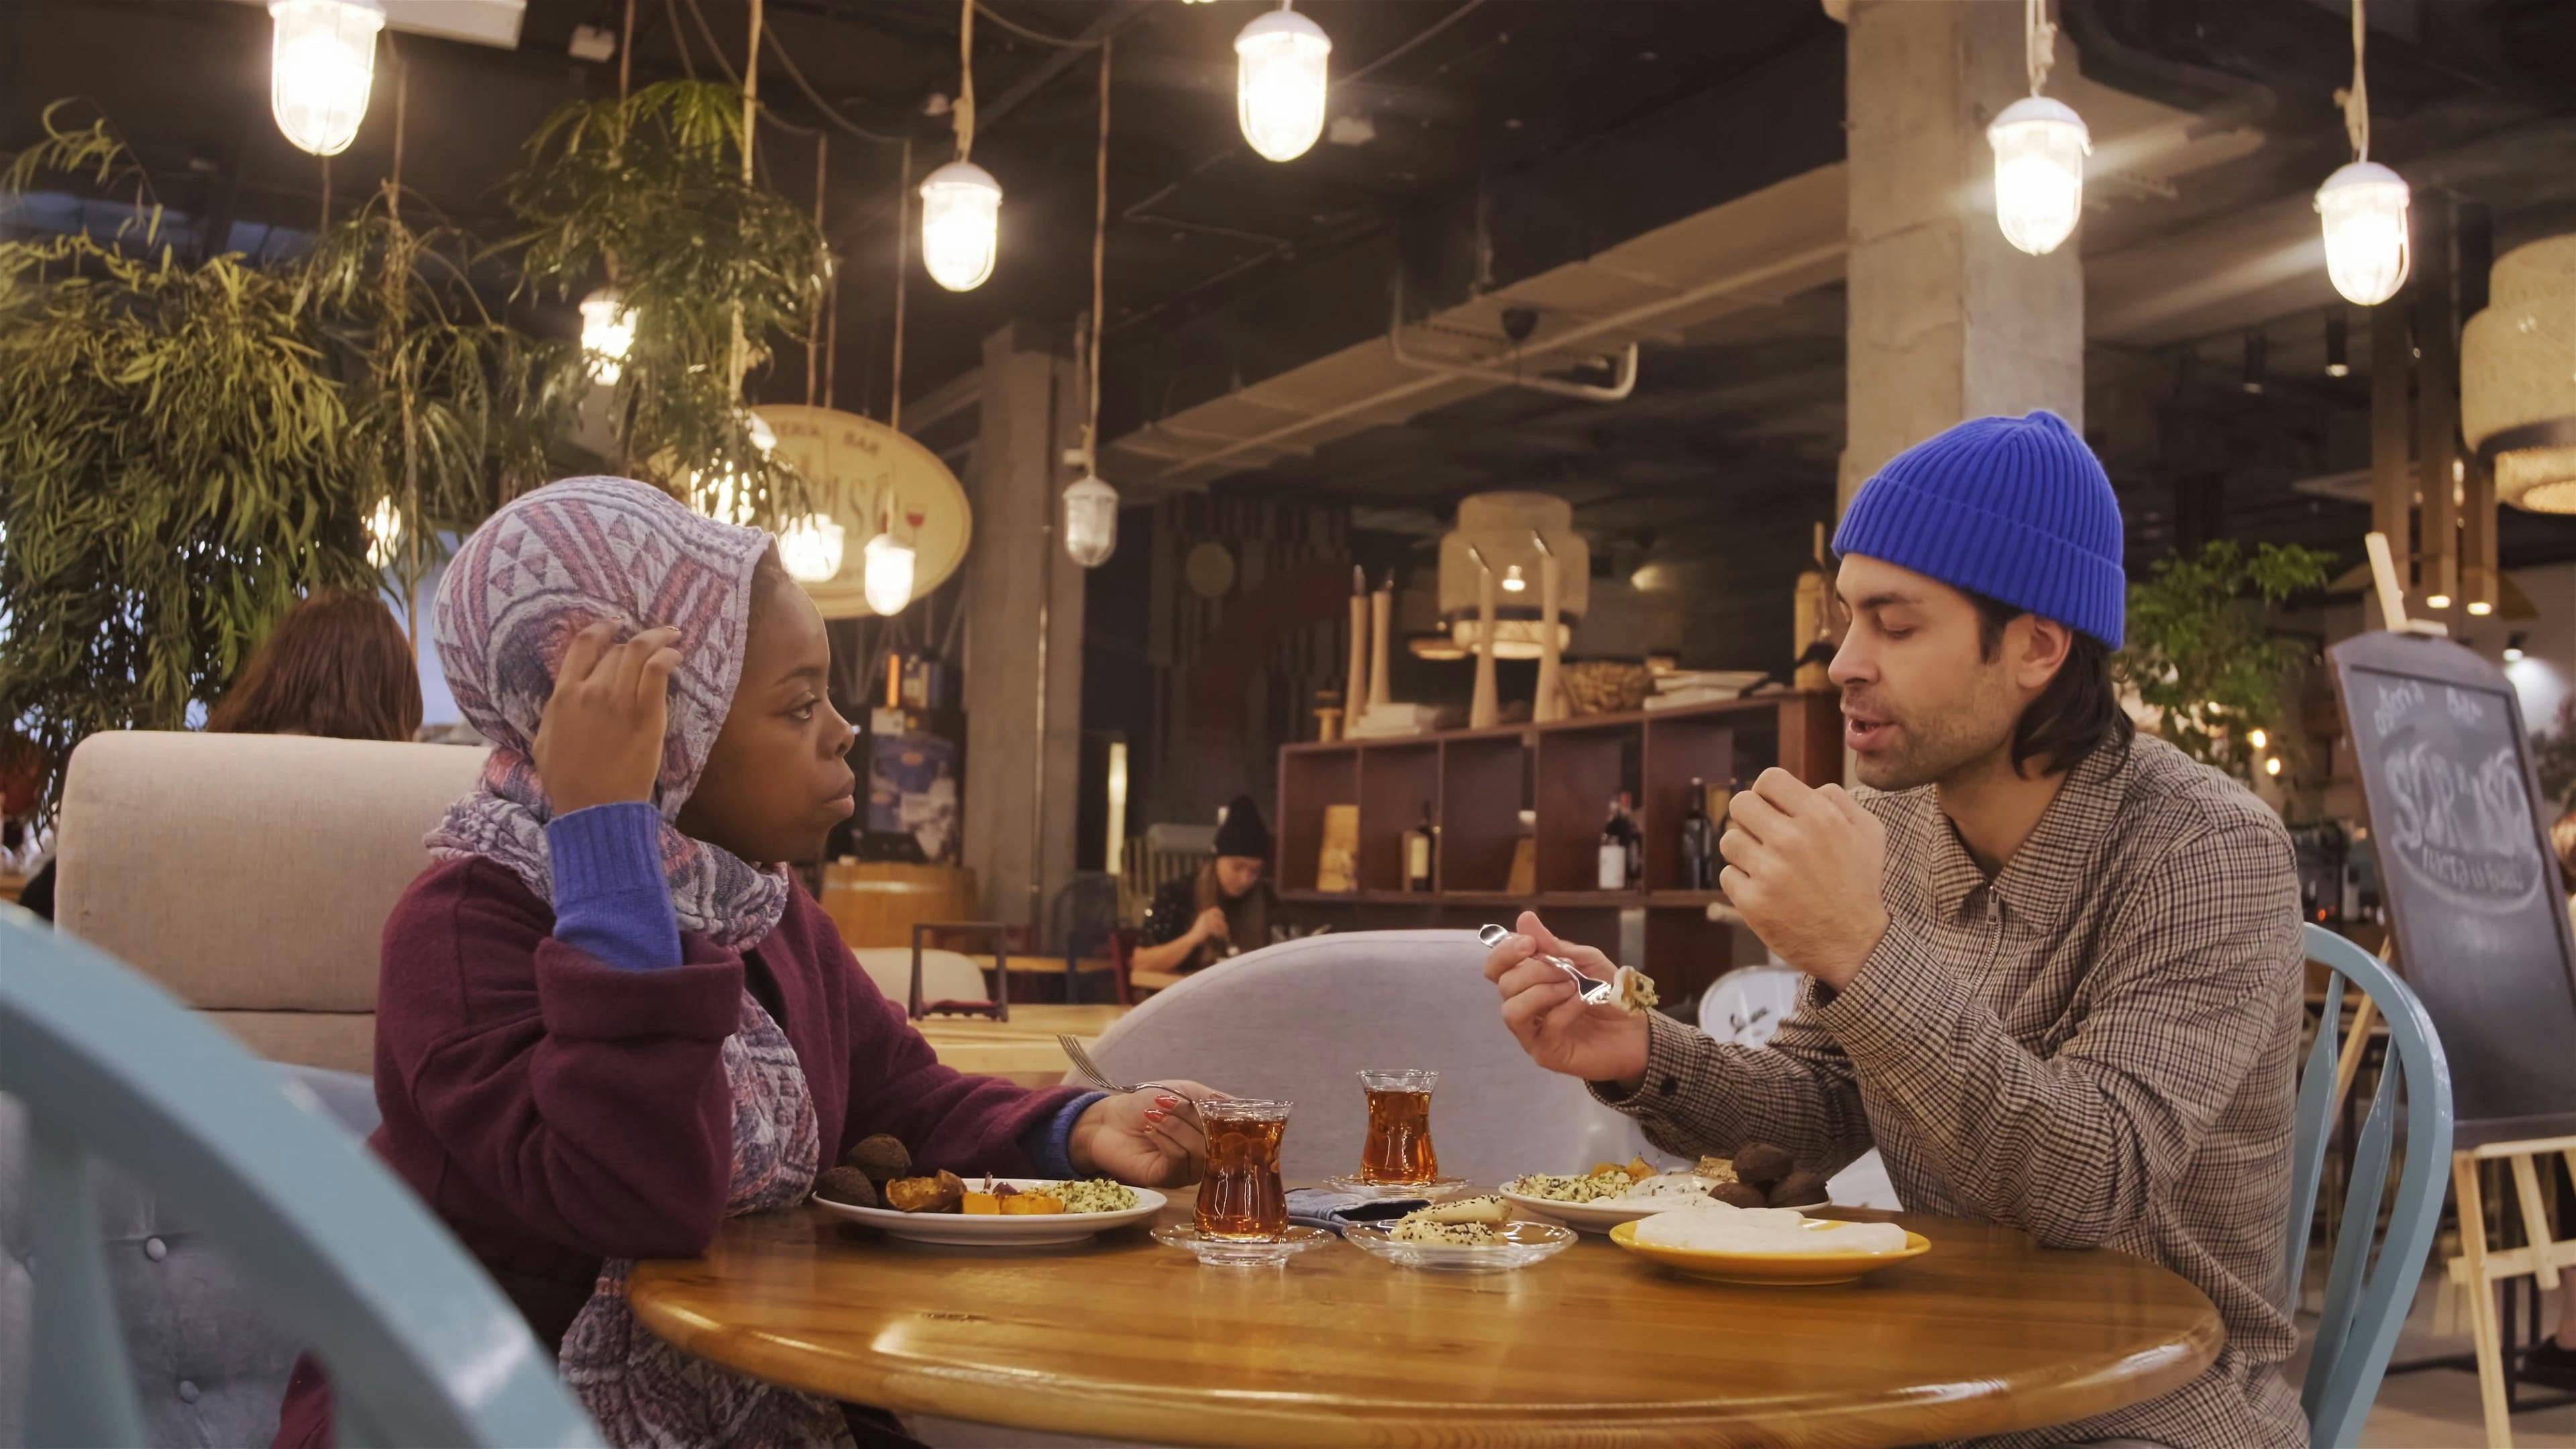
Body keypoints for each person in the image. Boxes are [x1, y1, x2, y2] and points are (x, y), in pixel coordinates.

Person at [273, 478, 1216, 1448]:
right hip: (464, 1416)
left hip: (759, 1391)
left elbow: (901, 1100)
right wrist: (609, 838)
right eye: (800, 705)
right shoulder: (463, 931)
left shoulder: (761, 908)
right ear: (667, 733)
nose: (845, 732)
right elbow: (634, 1192)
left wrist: (1079, 1128)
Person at [1486, 411, 2308, 1448]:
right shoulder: (1894, 825)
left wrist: (1861, 949)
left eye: (1896, 624)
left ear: (2037, 647)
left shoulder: (2205, 851)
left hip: (2152, 1396)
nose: (1841, 662)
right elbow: (1822, 1106)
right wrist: (1644, 1050)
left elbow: (2091, 1187)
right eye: (1847, 618)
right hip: (1936, 1353)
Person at [15, 588, 423, 921]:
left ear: (273, 677)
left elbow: (40, 913)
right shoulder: (422, 818)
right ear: (396, 701)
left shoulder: (168, 788)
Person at [1133, 794, 1275, 974]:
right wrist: (1194, 937)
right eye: (1237, 867)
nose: (1245, 879)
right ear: (1216, 860)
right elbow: (1140, 964)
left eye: (1254, 872)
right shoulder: (1178, 894)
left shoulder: (1267, 899)